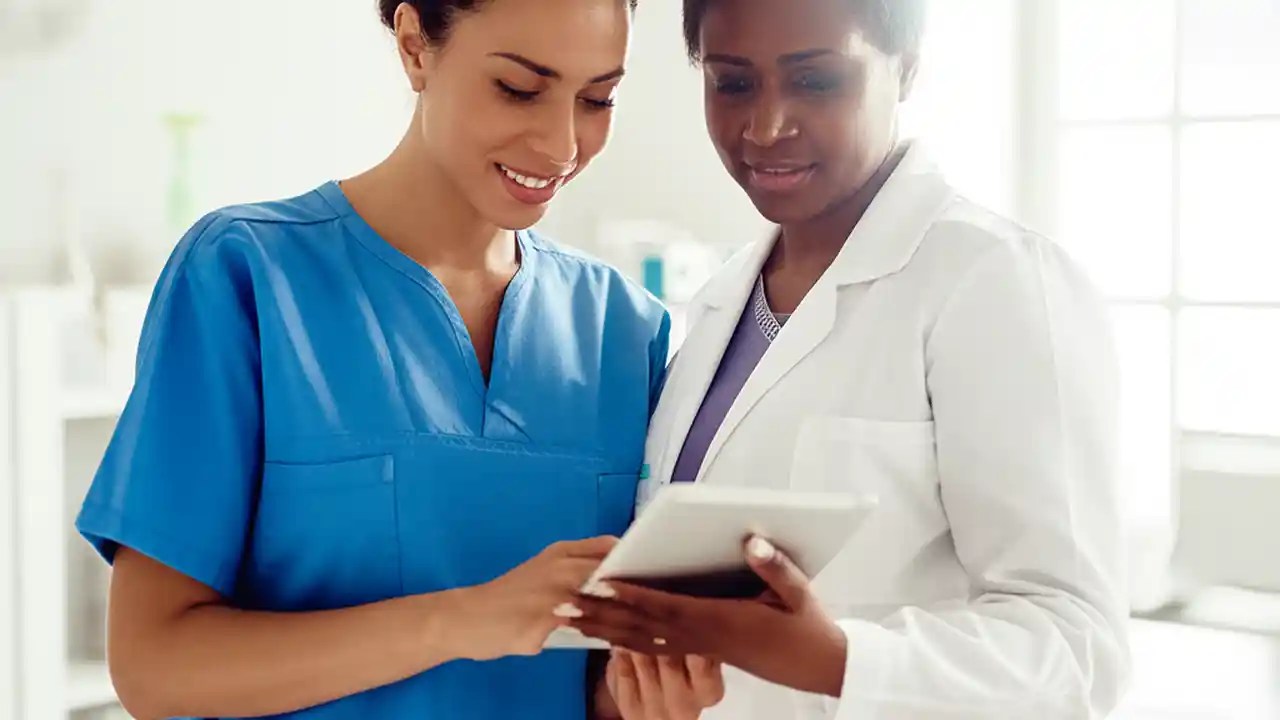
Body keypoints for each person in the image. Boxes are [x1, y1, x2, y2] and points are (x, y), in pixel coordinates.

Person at [74, 1, 723, 718]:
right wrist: (458, 621)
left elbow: (581, 678)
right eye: (518, 89)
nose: (562, 143)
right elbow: (153, 667)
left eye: (597, 99)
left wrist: (633, 697)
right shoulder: (247, 275)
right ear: (416, 45)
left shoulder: (624, 329)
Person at [569, 0, 1131, 717]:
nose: (766, 126)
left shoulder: (995, 281)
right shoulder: (718, 303)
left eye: (817, 81)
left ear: (907, 68)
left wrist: (837, 661)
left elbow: (1078, 647)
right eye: (733, 83)